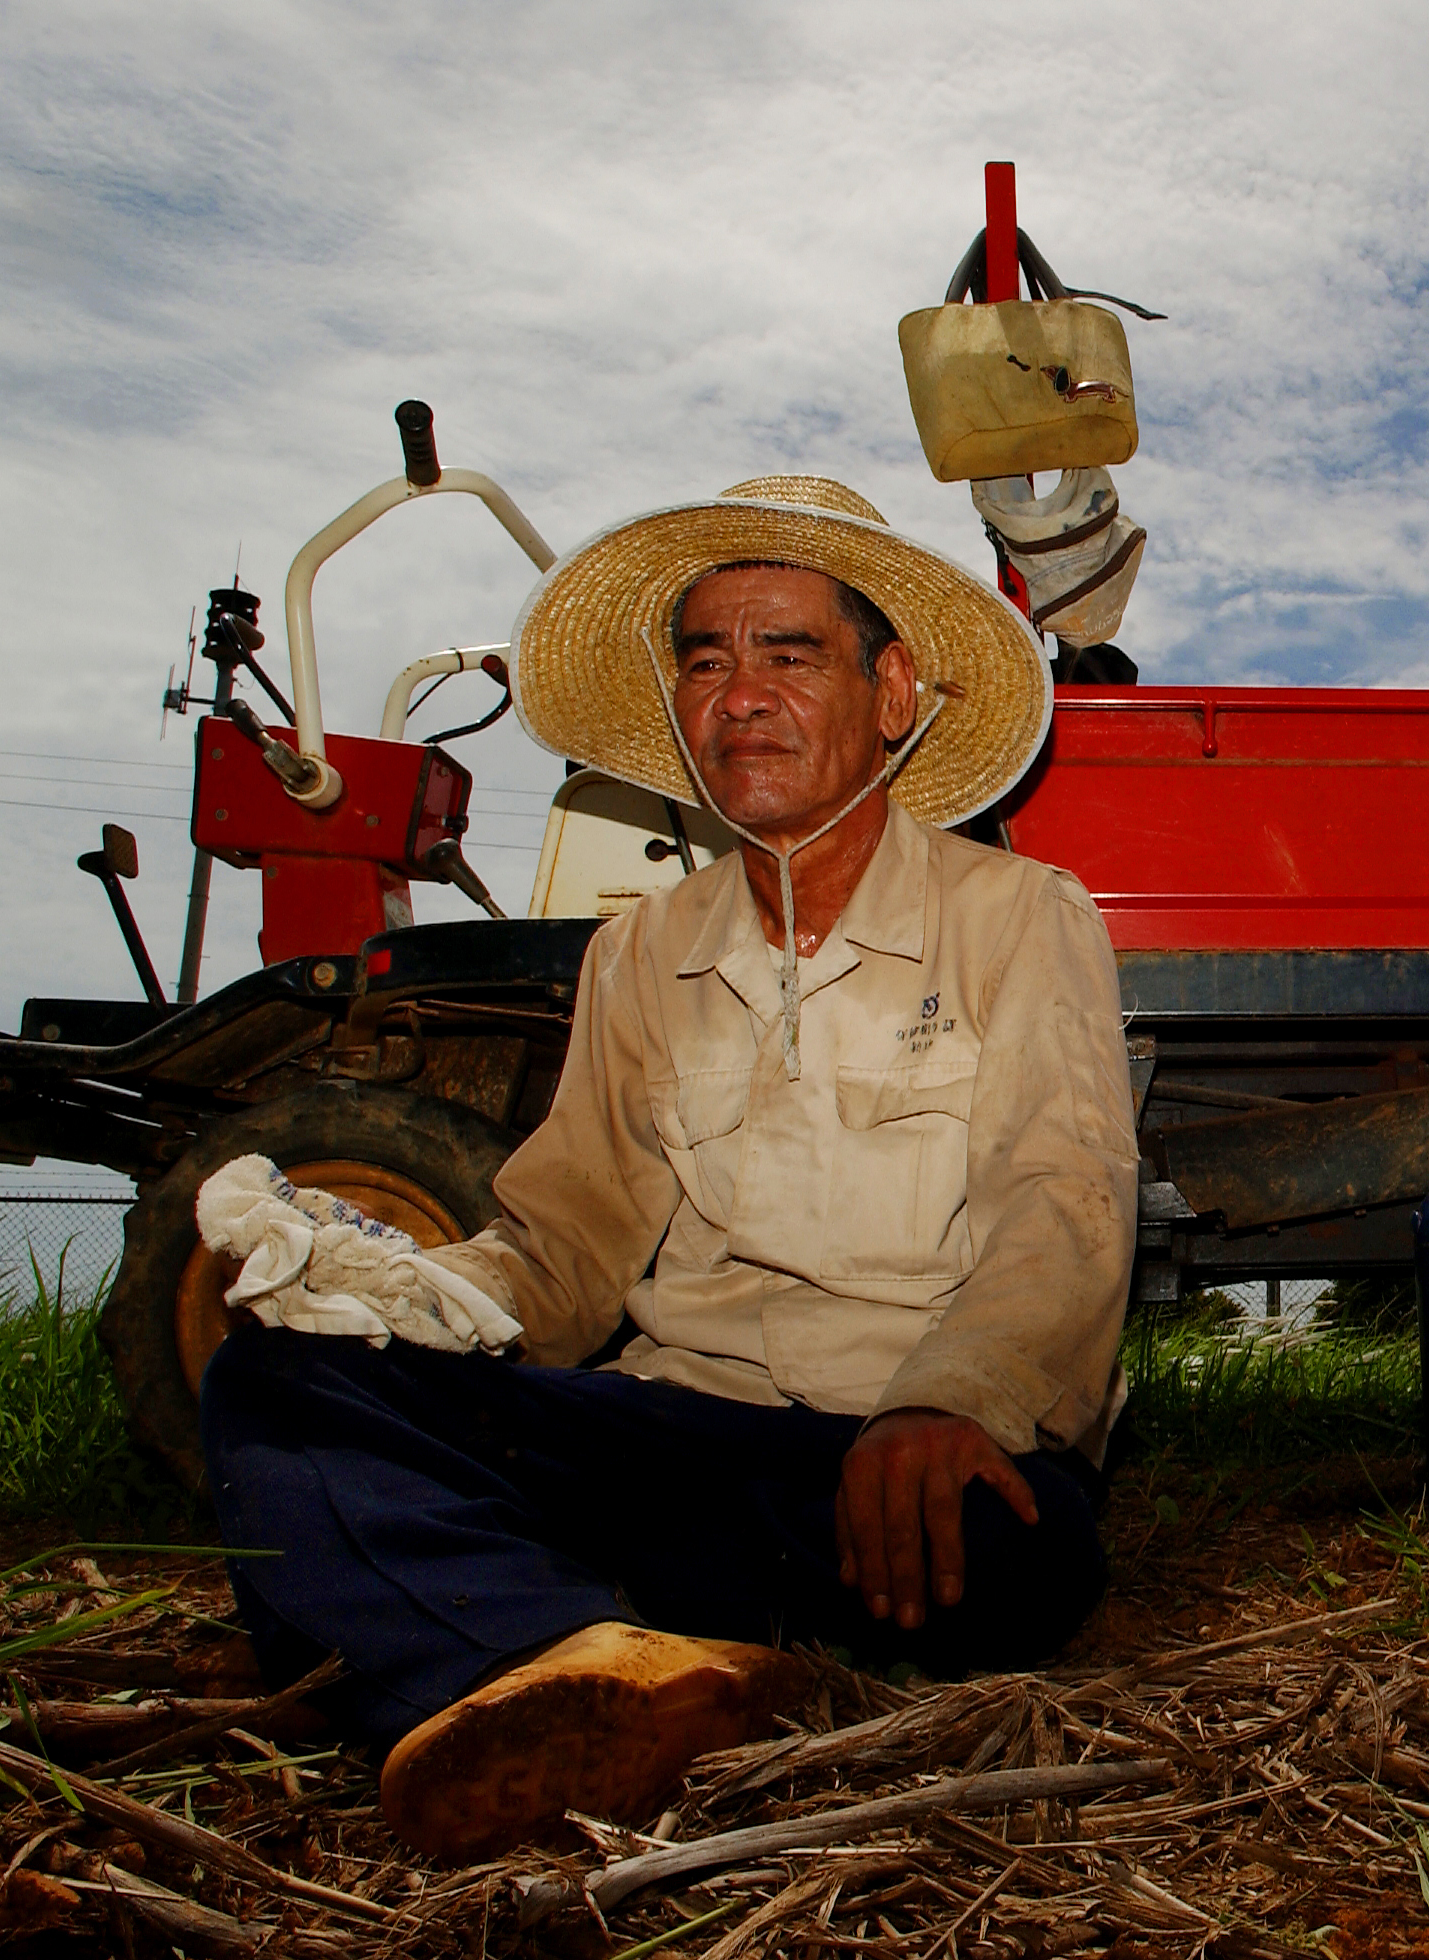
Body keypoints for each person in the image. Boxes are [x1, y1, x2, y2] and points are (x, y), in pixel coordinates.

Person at [196, 476, 1137, 1861]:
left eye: (788, 653)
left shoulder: (1016, 915)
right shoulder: (638, 951)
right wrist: (391, 1289)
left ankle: (555, 1637)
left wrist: (950, 1406)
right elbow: (564, 1243)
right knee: (275, 1377)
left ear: (893, 694)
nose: (740, 694)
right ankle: (579, 1678)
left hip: (903, 1476)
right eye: (706, 660)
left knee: (1017, 1553)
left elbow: (1064, 1198)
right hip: (686, 1444)